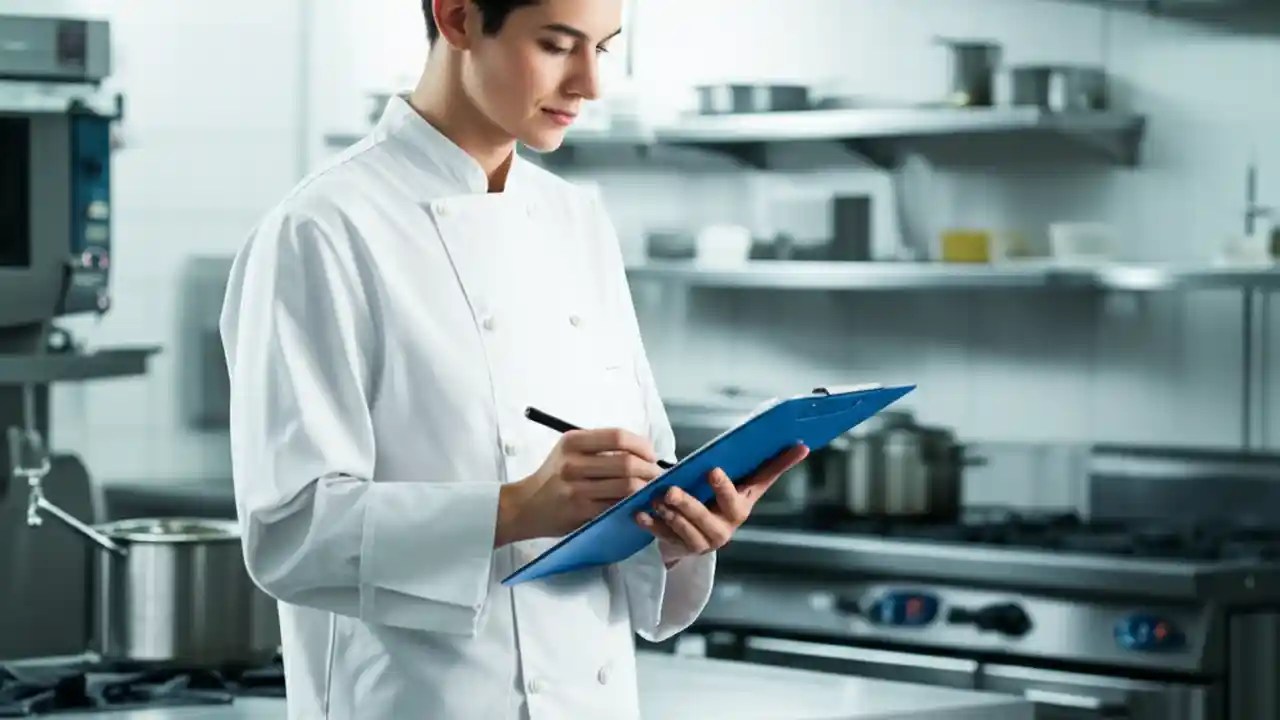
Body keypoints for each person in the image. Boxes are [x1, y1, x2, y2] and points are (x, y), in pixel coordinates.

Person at [218, 0, 809, 717]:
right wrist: (515, 508)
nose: (590, 84)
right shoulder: (322, 230)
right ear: (458, 19)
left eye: (602, 48)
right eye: (558, 45)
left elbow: (640, 471)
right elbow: (289, 534)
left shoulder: (577, 220)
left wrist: (680, 526)